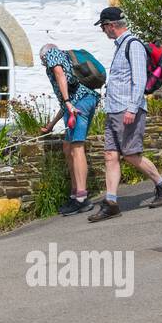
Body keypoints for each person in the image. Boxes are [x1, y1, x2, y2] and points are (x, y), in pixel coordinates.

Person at [89, 6, 162, 222]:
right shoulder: (120, 47)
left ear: (110, 26)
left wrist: (132, 108)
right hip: (114, 109)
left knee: (130, 155)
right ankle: (111, 203)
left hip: (127, 110)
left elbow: (139, 80)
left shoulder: (133, 45)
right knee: (110, 155)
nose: (103, 31)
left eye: (103, 27)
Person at [37, 43, 100, 216]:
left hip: (79, 104)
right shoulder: (63, 59)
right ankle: (75, 193)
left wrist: (67, 103)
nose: (44, 65)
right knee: (67, 147)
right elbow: (66, 99)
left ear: (44, 56)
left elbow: (59, 74)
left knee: (77, 148)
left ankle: (81, 198)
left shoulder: (52, 54)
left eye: (42, 61)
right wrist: (51, 124)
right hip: (77, 103)